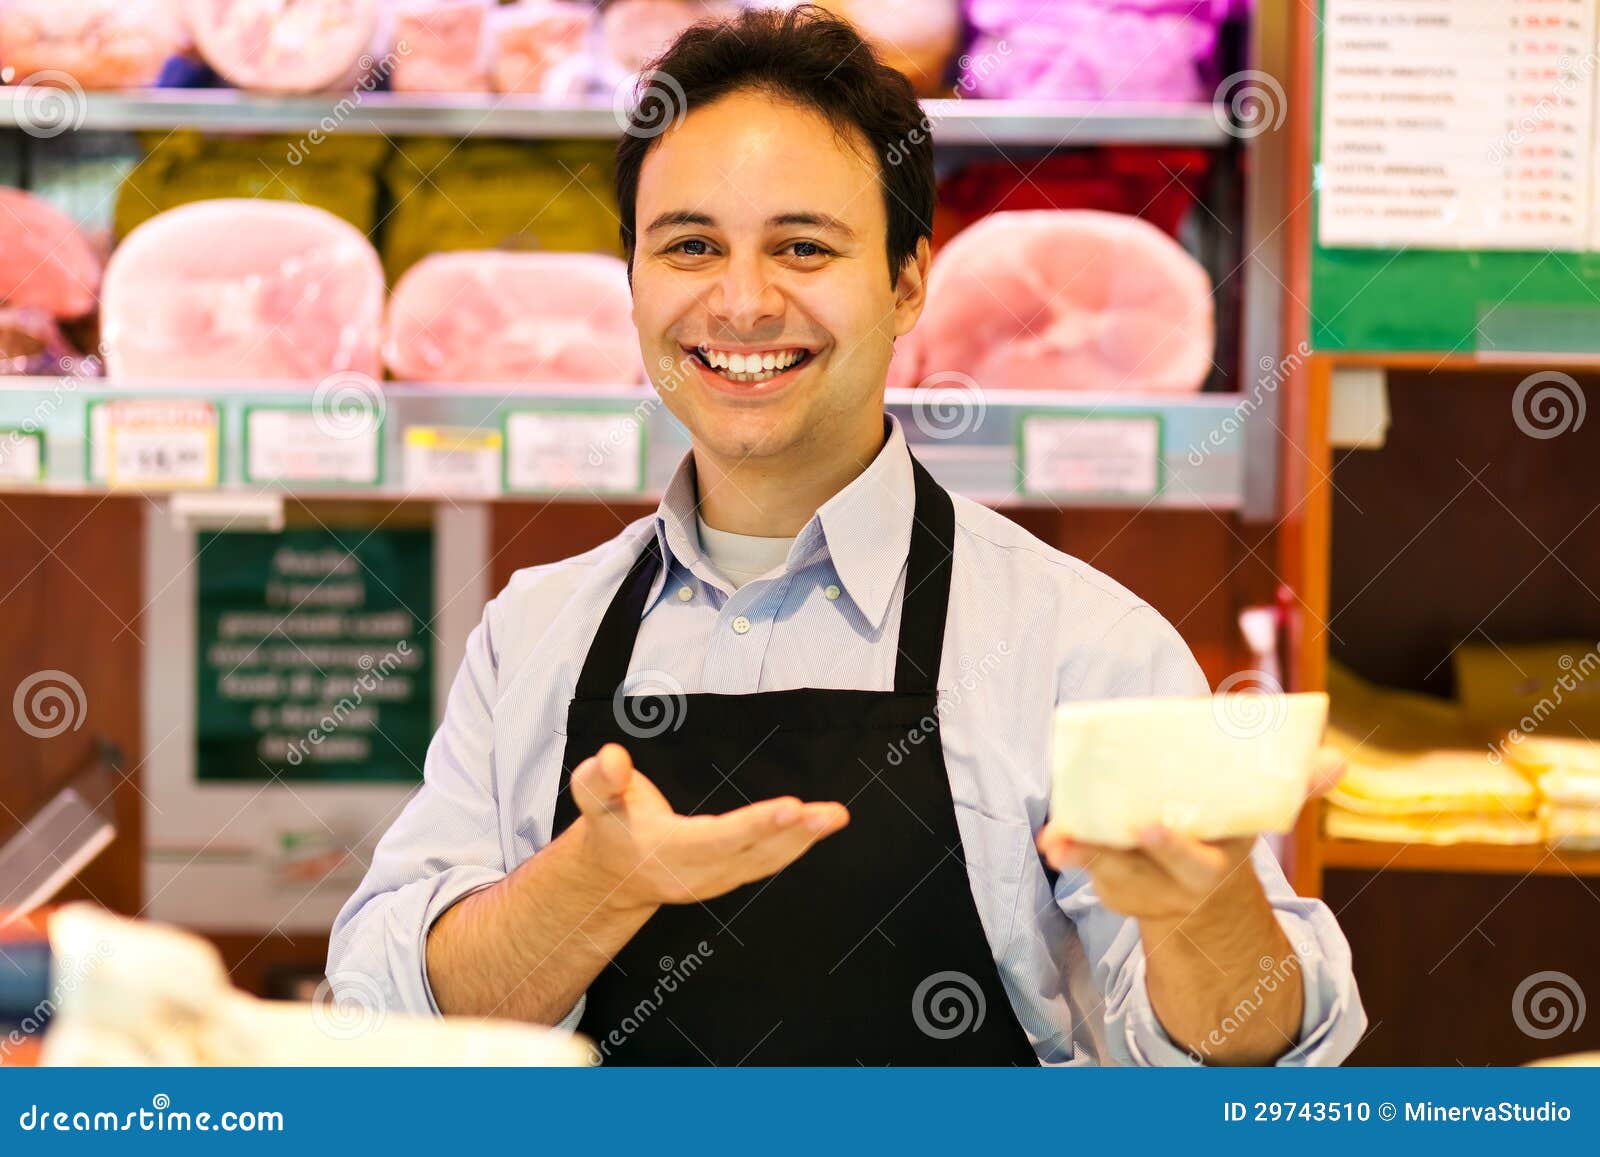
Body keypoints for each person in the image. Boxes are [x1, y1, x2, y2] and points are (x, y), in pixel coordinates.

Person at [330, 4, 1364, 1066]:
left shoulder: (1079, 643)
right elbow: (384, 1016)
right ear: (632, 278)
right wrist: (589, 884)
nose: (740, 302)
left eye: (802, 246)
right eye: (689, 245)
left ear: (909, 279)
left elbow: (1265, 1061)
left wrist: (1205, 912)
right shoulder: (534, 633)